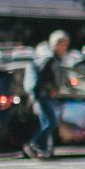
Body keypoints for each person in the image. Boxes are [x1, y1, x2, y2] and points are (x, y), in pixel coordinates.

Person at [25, 30, 71, 159]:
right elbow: (45, 77)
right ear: (56, 45)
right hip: (43, 95)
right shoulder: (50, 59)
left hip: (43, 95)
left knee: (46, 123)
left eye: (66, 45)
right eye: (63, 45)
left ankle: (44, 150)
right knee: (52, 122)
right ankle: (33, 144)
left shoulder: (54, 58)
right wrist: (52, 88)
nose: (65, 48)